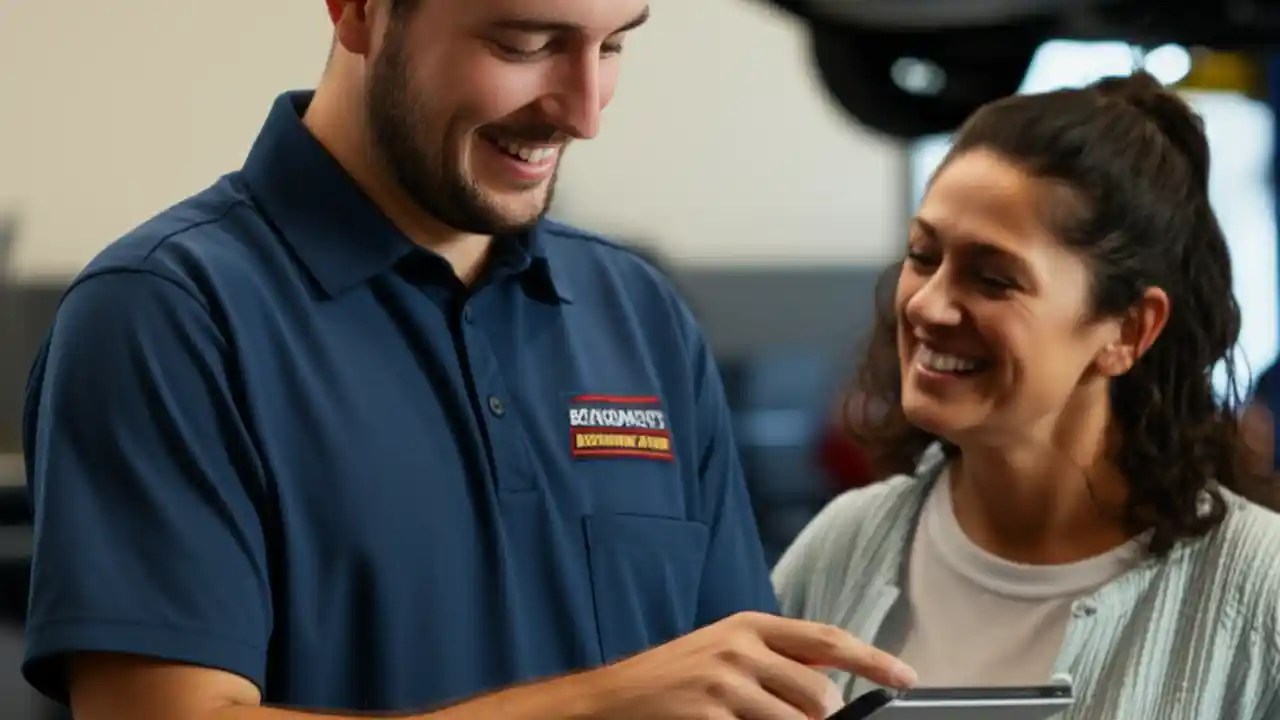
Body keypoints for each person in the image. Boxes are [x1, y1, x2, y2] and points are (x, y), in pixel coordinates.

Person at [21, 1, 916, 718]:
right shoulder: (167, 315)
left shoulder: (639, 316)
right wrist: (593, 708)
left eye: (613, 47)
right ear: (358, 13)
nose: (585, 110)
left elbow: (729, 685)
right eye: (527, 43)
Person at [773, 71, 1280, 718]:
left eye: (992, 279)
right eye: (923, 255)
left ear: (1128, 329)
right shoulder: (843, 547)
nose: (928, 305)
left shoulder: (1260, 592)